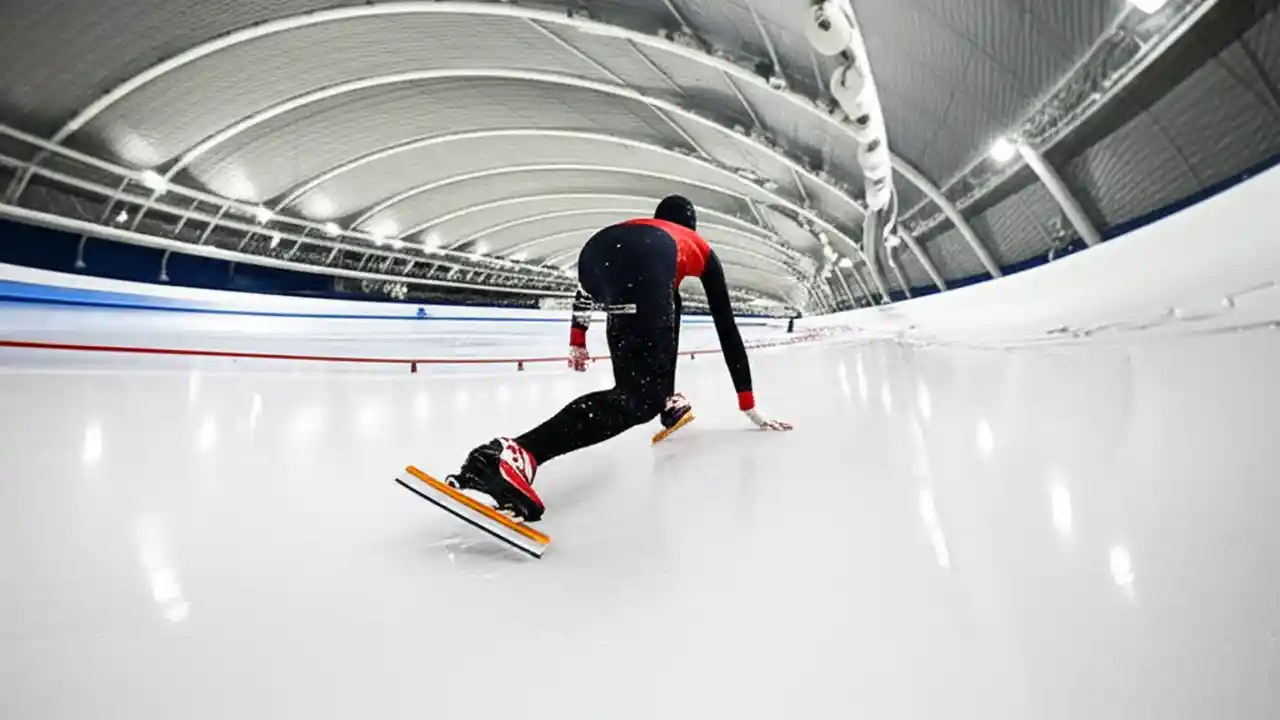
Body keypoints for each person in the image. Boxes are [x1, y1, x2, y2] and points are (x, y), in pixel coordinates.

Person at [446, 195, 792, 522]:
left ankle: (666, 401)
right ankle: (509, 454)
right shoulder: (695, 244)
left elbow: (585, 292)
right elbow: (725, 325)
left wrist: (577, 339)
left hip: (596, 256)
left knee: (640, 374)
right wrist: (749, 405)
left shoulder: (639, 228)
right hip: (641, 268)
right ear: (691, 226)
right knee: (637, 400)